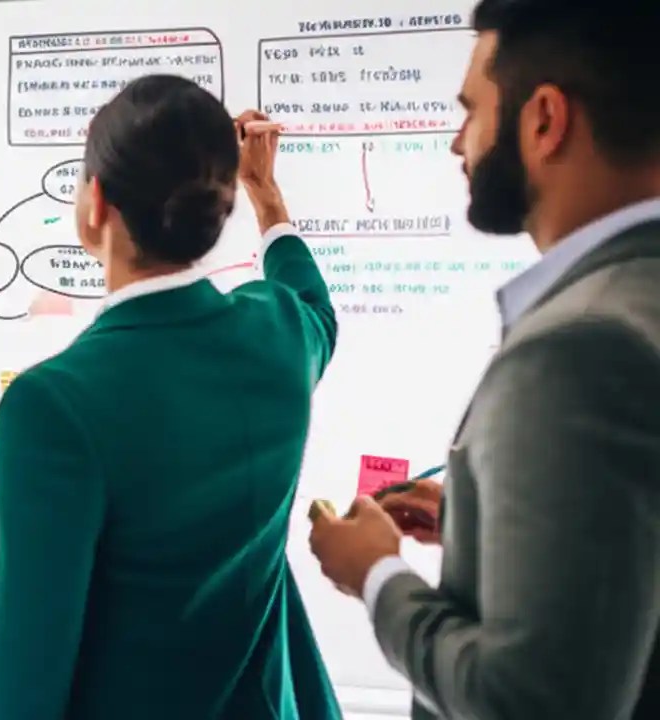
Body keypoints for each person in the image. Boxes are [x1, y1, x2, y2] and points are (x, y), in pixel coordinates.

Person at [308, 1, 660, 718]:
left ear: (544, 120)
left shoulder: (579, 349)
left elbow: (531, 702)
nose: (456, 143)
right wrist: (477, 522)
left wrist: (376, 575)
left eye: (470, 111)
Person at [0, 74, 342, 719]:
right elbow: (315, 303)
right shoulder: (279, 334)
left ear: (96, 203)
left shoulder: (52, 405)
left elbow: (26, 668)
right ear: (221, 208)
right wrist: (268, 195)